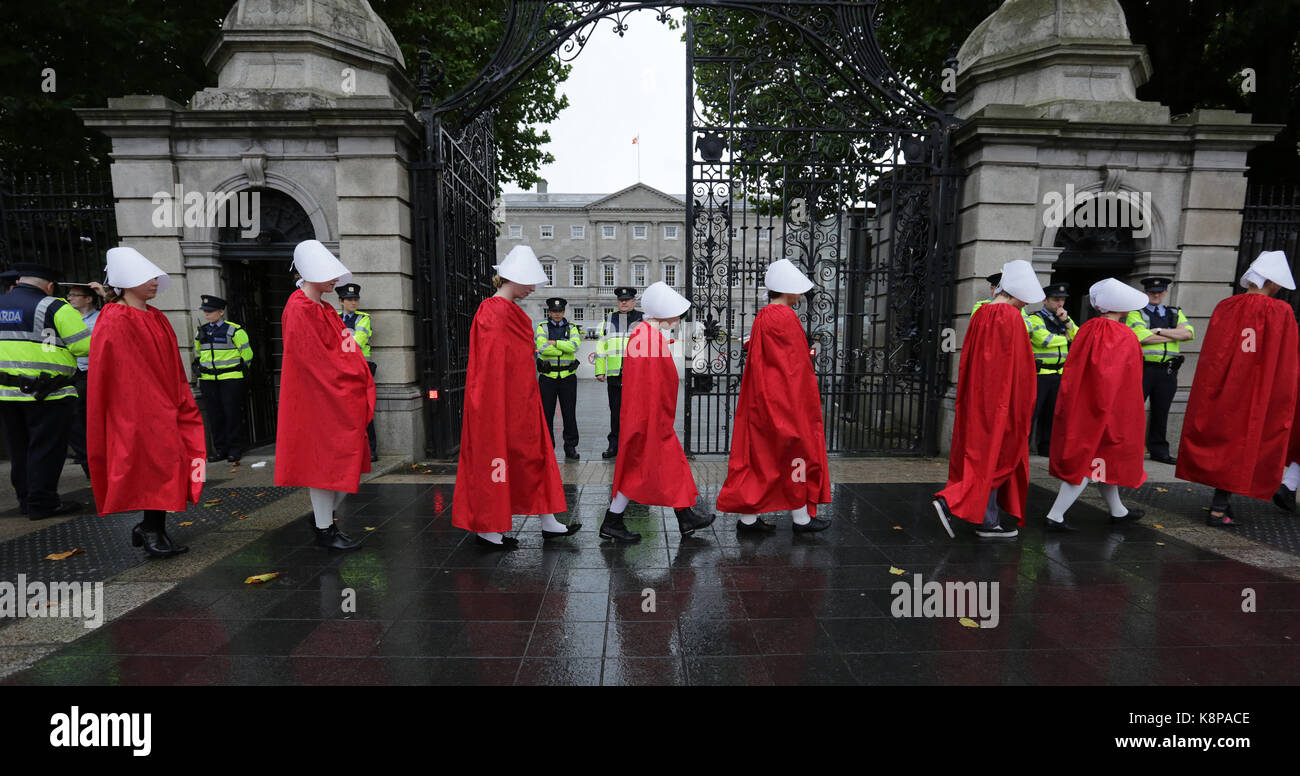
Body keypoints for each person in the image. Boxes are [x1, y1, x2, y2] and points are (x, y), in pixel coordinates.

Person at [453, 245, 578, 549]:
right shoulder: (495, 311)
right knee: (511, 457)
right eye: (531, 281)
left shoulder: (502, 310)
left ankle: (546, 521)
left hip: (518, 397)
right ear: (516, 279)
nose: (534, 287)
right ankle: (489, 528)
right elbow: (493, 364)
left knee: (532, 455)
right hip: (505, 401)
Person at [87, 247, 205, 557]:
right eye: (147, 277)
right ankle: (151, 529)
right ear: (126, 281)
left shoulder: (156, 317)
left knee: (165, 465)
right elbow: (121, 372)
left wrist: (177, 399)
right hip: (136, 409)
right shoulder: (114, 318)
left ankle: (153, 527)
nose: (155, 281)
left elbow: (170, 365)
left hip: (163, 403)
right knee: (151, 466)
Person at [1177, 251, 1299, 526]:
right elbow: (1287, 358)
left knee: (1226, 440)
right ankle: (1220, 508)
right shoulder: (1280, 311)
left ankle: (1221, 503)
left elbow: (1214, 352)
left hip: (1227, 384)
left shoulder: (1226, 306)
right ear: (1271, 281)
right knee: (1247, 442)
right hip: (1258, 388)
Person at [716, 259, 832, 533]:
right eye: (797, 290)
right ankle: (801, 518)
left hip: (761, 399)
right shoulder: (786, 318)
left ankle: (748, 519)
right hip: (785, 402)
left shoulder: (763, 316)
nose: (800, 295)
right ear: (789, 291)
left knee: (760, 457)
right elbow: (795, 369)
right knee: (798, 457)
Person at [275, 240, 375, 550]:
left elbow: (340, 349)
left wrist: (353, 372)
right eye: (329, 273)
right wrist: (350, 376)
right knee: (325, 464)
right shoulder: (302, 308)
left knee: (337, 463)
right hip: (320, 399)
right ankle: (323, 529)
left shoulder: (321, 307)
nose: (336, 279)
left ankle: (323, 520)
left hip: (329, 395)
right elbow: (315, 359)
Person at [932, 259, 1041, 540]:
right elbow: (1016, 369)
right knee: (999, 455)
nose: (1025, 305)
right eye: (1024, 299)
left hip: (979, 397)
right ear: (1017, 294)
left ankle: (988, 521)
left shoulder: (983, 312)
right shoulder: (1010, 317)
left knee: (984, 456)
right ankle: (950, 501)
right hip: (1001, 402)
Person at [601, 281, 716, 542]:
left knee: (656, 467)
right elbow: (649, 386)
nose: (678, 318)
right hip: (650, 420)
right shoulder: (647, 337)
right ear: (663, 313)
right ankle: (616, 521)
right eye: (675, 313)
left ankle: (683, 517)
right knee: (644, 469)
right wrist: (654, 422)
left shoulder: (646, 334)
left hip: (647, 418)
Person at [1043, 278, 1149, 530]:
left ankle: (1118, 511)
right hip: (1110, 407)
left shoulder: (1089, 328)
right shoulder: (1122, 334)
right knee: (1091, 461)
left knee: (1103, 460)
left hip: (1085, 403)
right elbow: (1117, 378)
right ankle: (1055, 516)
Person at [0, 262, 90, 520]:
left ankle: (26, 500)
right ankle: (43, 503)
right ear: (49, 285)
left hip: (6, 394)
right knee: (46, 449)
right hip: (48, 394)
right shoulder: (55, 306)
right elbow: (84, 346)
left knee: (20, 448)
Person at [1125, 277, 1195, 465]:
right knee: (1134, 410)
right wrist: (1173, 335)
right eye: (1151, 292)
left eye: (1159, 291)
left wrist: (1156, 331)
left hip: (1168, 370)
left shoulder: (1175, 312)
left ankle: (1159, 450)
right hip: (1144, 368)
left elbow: (1189, 334)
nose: (1156, 295)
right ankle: (1129, 448)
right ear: (1145, 293)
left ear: (1165, 292)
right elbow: (1140, 337)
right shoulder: (1136, 313)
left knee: (1162, 411)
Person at [193, 294, 252, 464]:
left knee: (232, 414)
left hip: (230, 378)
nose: (206, 314)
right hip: (208, 379)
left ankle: (235, 449)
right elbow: (199, 352)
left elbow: (247, 354)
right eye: (205, 311)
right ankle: (221, 450)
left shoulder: (234, 330)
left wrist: (240, 370)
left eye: (210, 311)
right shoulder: (202, 330)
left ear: (220, 312)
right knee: (214, 415)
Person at [1027, 282, 1077, 457]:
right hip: (1040, 374)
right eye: (1056, 300)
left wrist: (1067, 323)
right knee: (1032, 414)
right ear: (1045, 300)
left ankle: (1046, 447)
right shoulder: (1035, 318)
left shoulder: (1064, 318)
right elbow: (1044, 340)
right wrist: (1066, 337)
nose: (1060, 304)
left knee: (1052, 414)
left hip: (1058, 374)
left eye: (1062, 300)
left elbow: (1078, 338)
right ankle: (1023, 448)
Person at [61, 281, 103, 477]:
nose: (69, 298)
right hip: (73, 374)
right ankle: (87, 457)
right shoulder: (66, 319)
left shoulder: (101, 318)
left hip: (93, 373)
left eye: (74, 295)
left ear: (88, 299)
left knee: (93, 417)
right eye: (69, 295)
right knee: (76, 418)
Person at [595, 286, 643, 459]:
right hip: (615, 375)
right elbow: (601, 345)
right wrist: (600, 370)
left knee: (636, 413)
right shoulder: (610, 319)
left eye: (627, 300)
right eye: (621, 300)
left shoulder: (643, 319)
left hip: (636, 376)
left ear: (633, 301)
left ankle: (634, 447)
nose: (624, 302)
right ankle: (614, 445)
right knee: (615, 413)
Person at [535, 296, 581, 460]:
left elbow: (575, 346)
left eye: (560, 311)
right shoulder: (542, 327)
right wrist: (562, 346)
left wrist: (553, 343)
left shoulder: (572, 327)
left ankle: (571, 447)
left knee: (569, 413)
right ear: (549, 312)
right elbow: (542, 348)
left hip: (568, 376)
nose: (557, 314)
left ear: (564, 311)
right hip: (548, 377)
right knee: (546, 415)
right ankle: (547, 448)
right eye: (554, 311)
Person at [336, 283, 377, 462]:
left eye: (355, 299)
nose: (353, 302)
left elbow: (358, 341)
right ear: (341, 301)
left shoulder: (363, 318)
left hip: (359, 367)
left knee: (363, 408)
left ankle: (371, 450)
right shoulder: (334, 318)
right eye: (349, 300)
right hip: (339, 368)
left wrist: (338, 347)